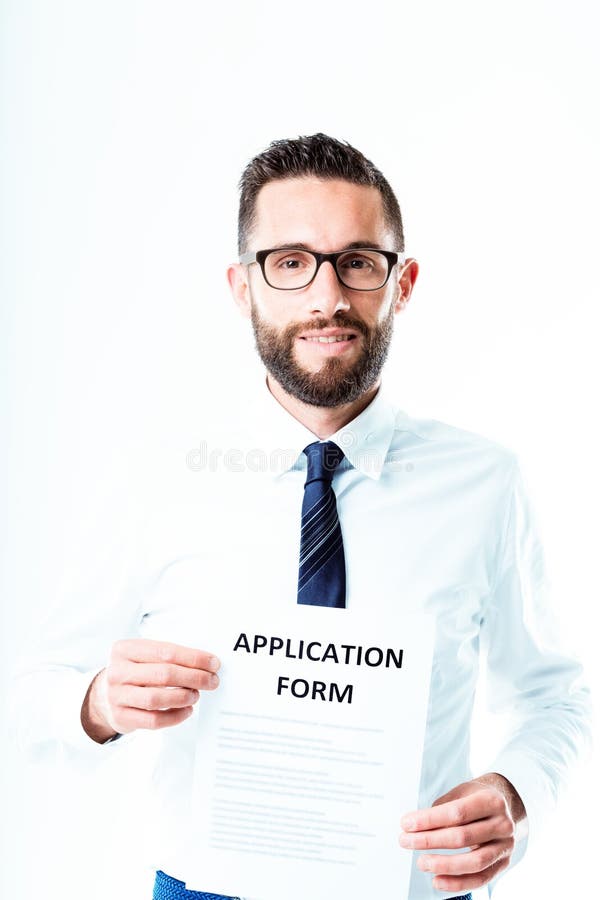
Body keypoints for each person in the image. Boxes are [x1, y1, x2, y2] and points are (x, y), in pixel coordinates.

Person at [11, 133, 591, 900]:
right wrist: (96, 702)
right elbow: (27, 693)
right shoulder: (160, 482)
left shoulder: (486, 485)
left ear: (403, 282)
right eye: (290, 263)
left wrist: (518, 795)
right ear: (242, 286)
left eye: (358, 261)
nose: (327, 297)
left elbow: (554, 697)